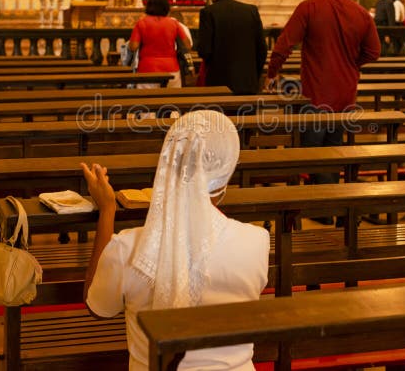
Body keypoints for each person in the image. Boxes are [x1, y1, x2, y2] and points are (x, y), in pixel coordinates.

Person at [84, 110, 269, 371]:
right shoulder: (256, 242)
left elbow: (97, 306)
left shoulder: (129, 248)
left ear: (168, 163)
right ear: (227, 169)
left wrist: (107, 210)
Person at [264, 0, 380, 184]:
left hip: (315, 93)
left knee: (312, 148)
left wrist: (272, 72)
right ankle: (330, 201)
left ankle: (318, 203)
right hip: (345, 93)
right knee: (335, 146)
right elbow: (374, 52)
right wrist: (353, 64)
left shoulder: (309, 7)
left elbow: (284, 44)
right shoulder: (361, 13)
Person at [196, 0, 267, 94]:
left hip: (218, 85)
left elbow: (204, 50)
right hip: (247, 83)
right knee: (247, 113)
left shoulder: (208, 12)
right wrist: (253, 74)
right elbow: (262, 49)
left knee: (219, 114)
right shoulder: (251, 11)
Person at [129, 0, 191, 88]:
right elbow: (187, 46)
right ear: (167, 8)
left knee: (146, 101)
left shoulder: (141, 23)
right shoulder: (174, 23)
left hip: (147, 69)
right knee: (171, 101)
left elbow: (133, 47)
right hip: (171, 69)